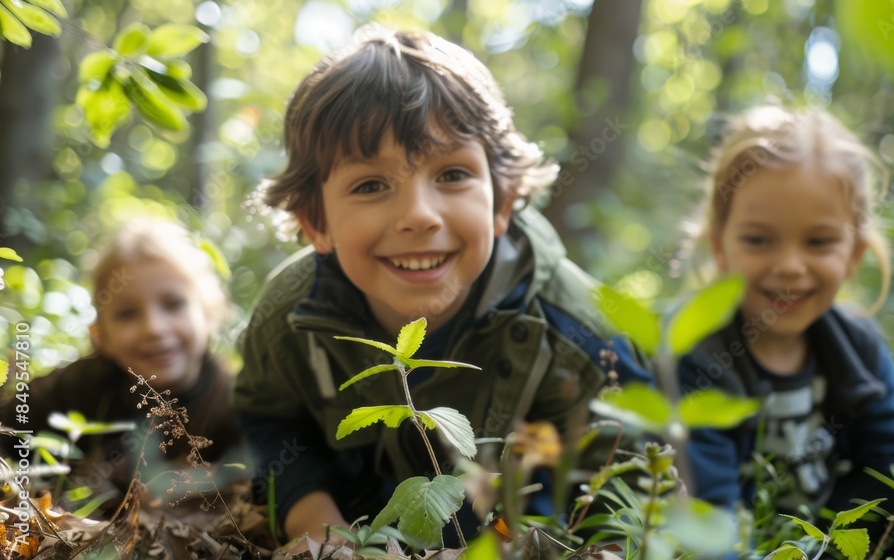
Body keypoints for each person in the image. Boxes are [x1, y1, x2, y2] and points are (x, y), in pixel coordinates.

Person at [234, 24, 651, 547]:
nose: (419, 215)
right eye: (371, 185)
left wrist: (508, 543)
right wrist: (316, 525)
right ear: (315, 221)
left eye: (452, 175)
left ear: (503, 199)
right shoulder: (288, 319)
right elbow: (267, 422)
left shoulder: (580, 336)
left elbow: (628, 483)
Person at [677, 105, 894, 559]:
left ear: (854, 254)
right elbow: (707, 519)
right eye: (758, 239)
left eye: (818, 242)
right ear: (719, 245)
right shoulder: (697, 356)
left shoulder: (857, 349)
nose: (790, 266)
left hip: (834, 543)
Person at [0, 219, 243, 505]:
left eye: (174, 304)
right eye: (127, 313)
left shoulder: (235, 400)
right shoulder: (81, 386)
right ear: (100, 335)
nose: (154, 327)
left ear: (209, 312)